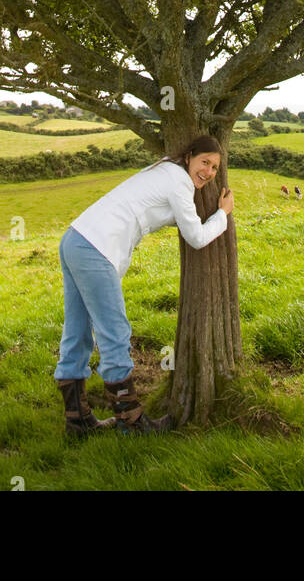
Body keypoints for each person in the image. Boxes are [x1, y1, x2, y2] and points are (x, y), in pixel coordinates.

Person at [53, 133, 234, 435]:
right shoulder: (178, 181)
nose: (209, 172)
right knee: (115, 333)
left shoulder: (163, 169)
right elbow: (198, 237)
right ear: (189, 156)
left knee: (77, 331)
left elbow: (158, 212)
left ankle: (77, 421)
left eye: (215, 168)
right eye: (205, 162)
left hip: (75, 238)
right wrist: (222, 215)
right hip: (96, 248)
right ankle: (132, 423)